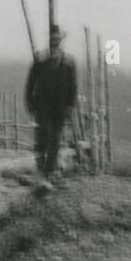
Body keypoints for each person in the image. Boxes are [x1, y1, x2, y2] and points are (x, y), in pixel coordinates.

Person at [24, 25, 77, 176]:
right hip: (42, 106)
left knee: (55, 137)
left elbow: (73, 87)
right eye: (52, 39)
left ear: (60, 41)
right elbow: (30, 83)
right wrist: (29, 102)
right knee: (44, 134)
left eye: (57, 39)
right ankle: (41, 164)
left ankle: (50, 169)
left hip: (60, 107)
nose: (54, 42)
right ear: (49, 41)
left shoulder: (68, 62)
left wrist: (70, 106)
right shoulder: (40, 60)